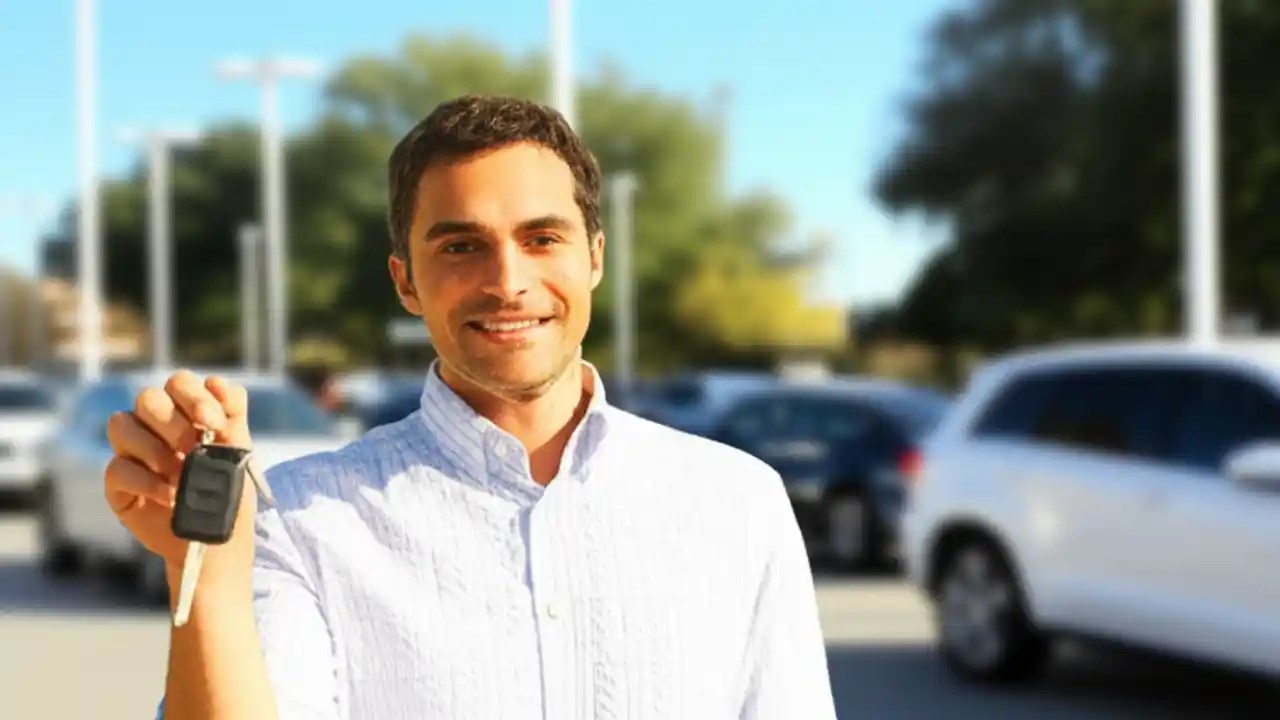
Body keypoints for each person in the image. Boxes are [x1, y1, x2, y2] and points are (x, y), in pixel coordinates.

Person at [103, 94, 837, 719]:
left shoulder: (738, 501)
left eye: (543, 238)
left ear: (595, 258)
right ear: (406, 282)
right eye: (461, 248)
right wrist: (208, 573)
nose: (508, 281)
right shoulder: (297, 521)